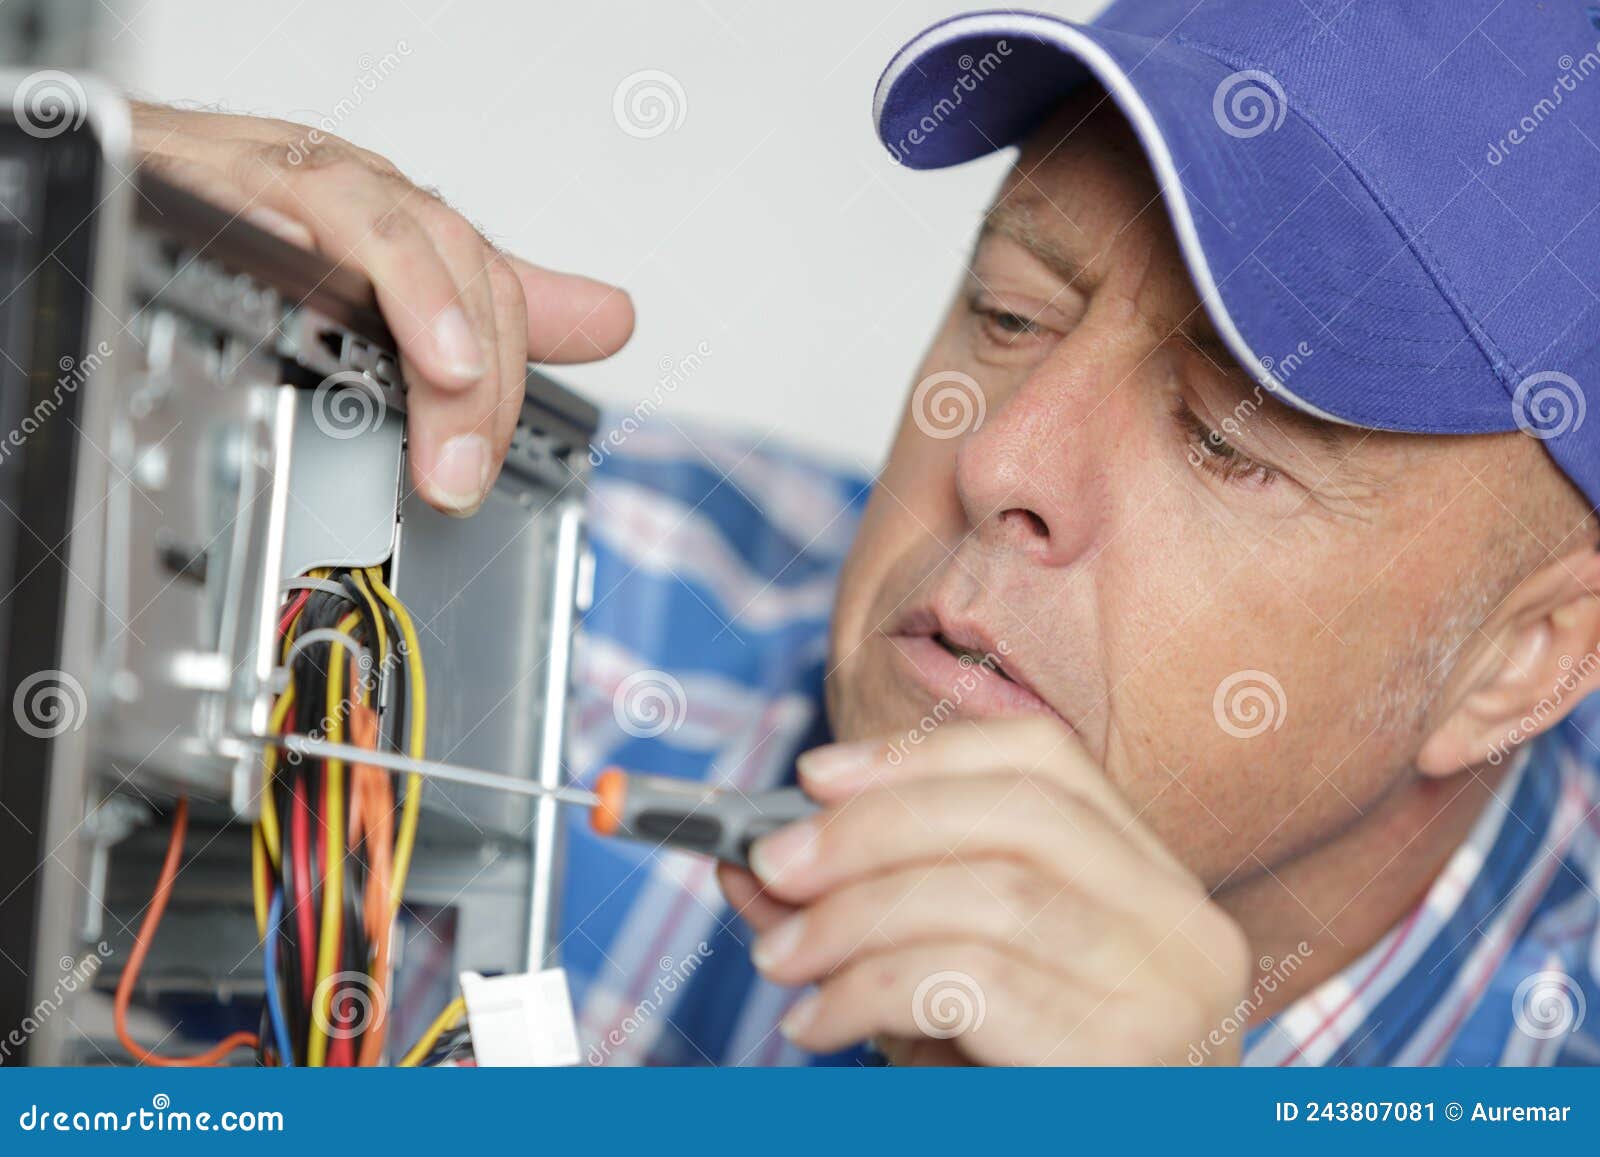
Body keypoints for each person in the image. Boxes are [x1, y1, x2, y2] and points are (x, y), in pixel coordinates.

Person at [137, 0, 1600, 1065]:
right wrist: (59, 286)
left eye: (1228, 440)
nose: (1000, 456)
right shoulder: (533, 597)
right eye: (1011, 314)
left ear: (1526, 654)